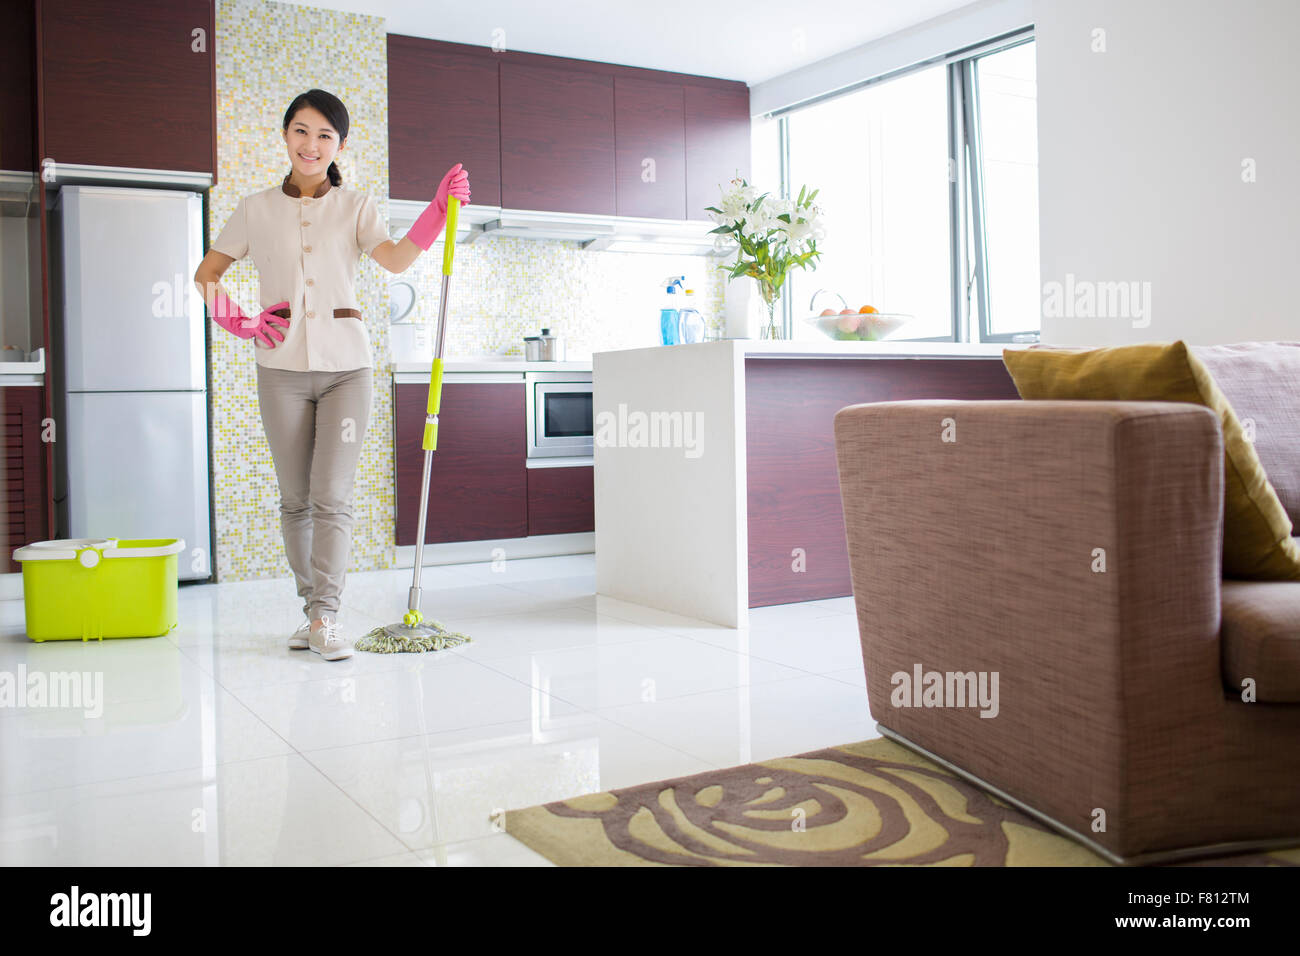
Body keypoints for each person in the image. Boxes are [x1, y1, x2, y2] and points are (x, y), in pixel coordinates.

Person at [193, 88, 470, 661]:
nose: (311, 144)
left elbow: (393, 259)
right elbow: (206, 276)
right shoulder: (255, 208)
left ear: (338, 145)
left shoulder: (356, 206)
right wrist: (244, 324)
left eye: (324, 135)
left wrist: (436, 211)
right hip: (281, 371)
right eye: (301, 130)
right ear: (285, 135)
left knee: (331, 496)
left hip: (349, 369)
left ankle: (327, 616)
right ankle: (310, 610)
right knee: (294, 500)